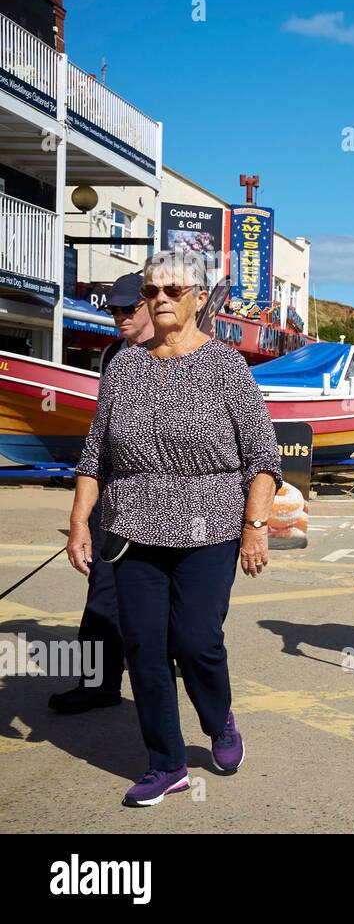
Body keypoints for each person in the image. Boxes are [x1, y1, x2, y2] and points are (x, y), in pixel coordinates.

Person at [69, 250, 283, 807]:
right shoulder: (123, 364)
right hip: (131, 528)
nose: (158, 299)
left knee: (195, 641)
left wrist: (255, 527)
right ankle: (166, 763)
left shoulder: (225, 366)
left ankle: (219, 720)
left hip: (209, 526)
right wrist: (77, 522)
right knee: (142, 646)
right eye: (150, 291)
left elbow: (262, 456)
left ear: (195, 296)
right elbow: (95, 453)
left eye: (171, 290)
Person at [49, 273, 154, 714]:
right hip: (113, 497)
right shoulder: (113, 354)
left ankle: (180, 657)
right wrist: (81, 518)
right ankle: (98, 684)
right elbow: (103, 433)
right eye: (114, 309)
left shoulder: (183, 352)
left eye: (130, 308)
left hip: (173, 501)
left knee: (176, 603)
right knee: (102, 596)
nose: (120, 316)